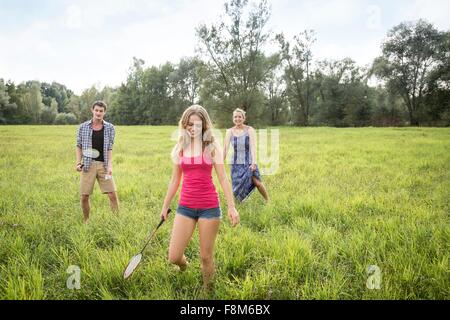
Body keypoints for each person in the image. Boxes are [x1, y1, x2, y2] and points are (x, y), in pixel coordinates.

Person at [160, 104, 240, 291]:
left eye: (197, 124)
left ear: (204, 125)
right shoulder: (180, 148)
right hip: (185, 207)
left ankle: (207, 290)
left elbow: (222, 177)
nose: (192, 128)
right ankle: (184, 266)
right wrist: (165, 206)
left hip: (209, 207)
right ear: (184, 125)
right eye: (189, 124)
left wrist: (231, 206)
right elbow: (174, 181)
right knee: (173, 256)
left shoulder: (211, 147)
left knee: (206, 256)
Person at [75, 101, 119, 223]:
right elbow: (78, 146)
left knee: (112, 195)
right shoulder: (83, 127)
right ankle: (86, 221)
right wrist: (78, 163)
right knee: (84, 196)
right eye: (96, 110)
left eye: (101, 111)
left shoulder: (110, 128)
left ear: (104, 112)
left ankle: (116, 222)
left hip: (104, 166)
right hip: (87, 165)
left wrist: (110, 166)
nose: (98, 113)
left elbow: (110, 148)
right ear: (92, 110)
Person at [223, 108, 269, 202]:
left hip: (249, 160)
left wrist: (254, 162)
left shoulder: (249, 130)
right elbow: (225, 148)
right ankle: (239, 203)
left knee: (257, 182)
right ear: (233, 118)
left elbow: (253, 146)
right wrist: (220, 163)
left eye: (240, 117)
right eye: (235, 117)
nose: (237, 119)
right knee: (237, 185)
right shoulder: (229, 132)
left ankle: (268, 201)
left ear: (244, 118)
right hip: (236, 162)